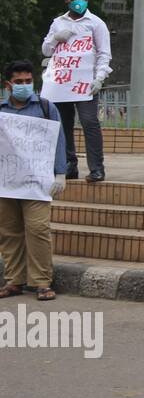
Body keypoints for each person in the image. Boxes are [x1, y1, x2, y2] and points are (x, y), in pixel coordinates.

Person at [0, 61, 67, 302]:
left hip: (37, 183)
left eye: (28, 81)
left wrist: (61, 173)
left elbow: (59, 140)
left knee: (38, 229)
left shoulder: (46, 108)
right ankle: (14, 280)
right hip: (6, 183)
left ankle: (41, 281)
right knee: (9, 232)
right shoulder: (1, 111)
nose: (25, 86)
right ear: (8, 85)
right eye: (19, 82)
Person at [42, 0, 112, 183]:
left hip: (85, 84)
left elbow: (104, 54)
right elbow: (46, 50)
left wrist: (99, 78)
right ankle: (69, 165)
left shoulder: (96, 23)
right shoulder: (58, 23)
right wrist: (56, 38)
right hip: (61, 84)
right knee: (63, 125)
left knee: (90, 122)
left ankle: (97, 168)